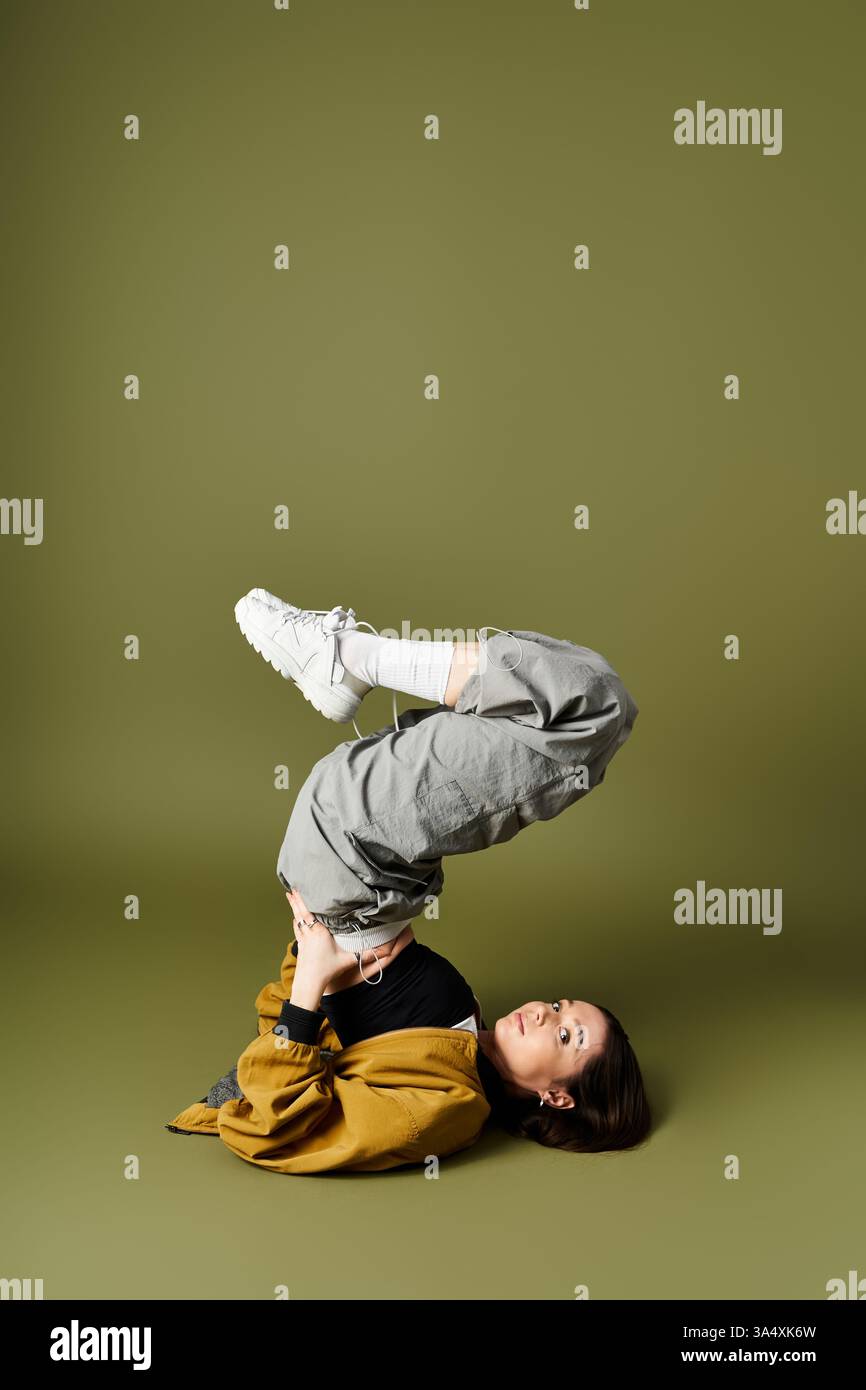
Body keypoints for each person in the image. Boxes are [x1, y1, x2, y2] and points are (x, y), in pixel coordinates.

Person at [165, 591, 650, 1173]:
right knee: (589, 703)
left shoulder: (451, 1111)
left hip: (346, 850)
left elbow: (276, 1127)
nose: (545, 1015)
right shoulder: (469, 1029)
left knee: (594, 711)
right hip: (377, 867)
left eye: (568, 1037)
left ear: (558, 1097)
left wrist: (309, 986)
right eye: (558, 1006)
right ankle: (350, 661)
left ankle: (349, 660)